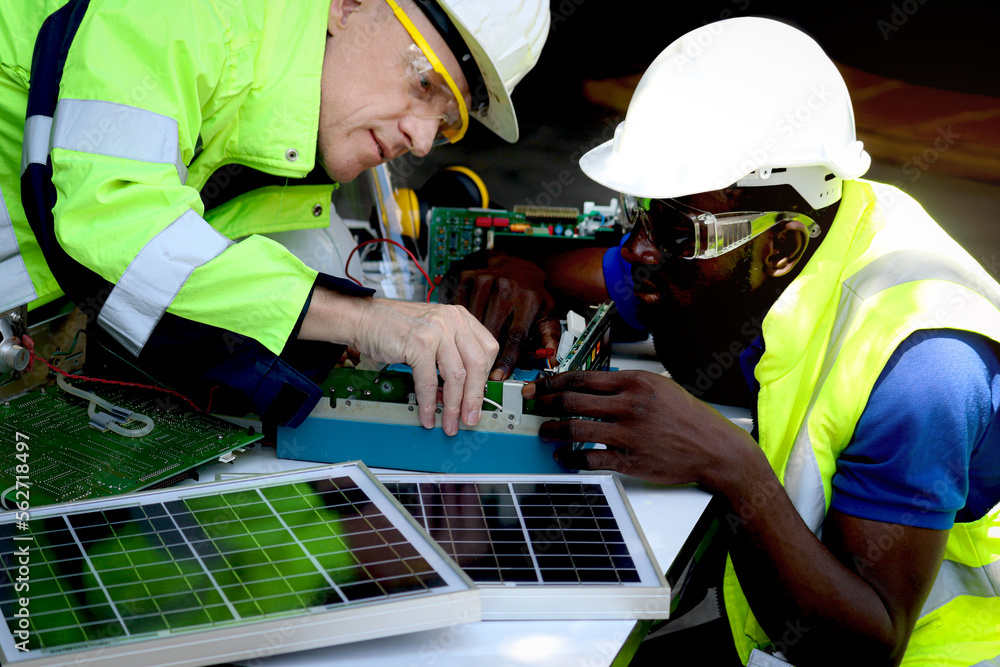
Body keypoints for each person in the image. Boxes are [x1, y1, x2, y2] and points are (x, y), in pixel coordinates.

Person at [444, 17, 1000, 667]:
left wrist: (729, 466)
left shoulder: (924, 369)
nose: (642, 248)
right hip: (776, 629)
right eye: (641, 215)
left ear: (782, 245)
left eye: (677, 231)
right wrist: (528, 279)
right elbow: (599, 275)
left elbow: (866, 643)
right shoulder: (762, 242)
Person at [0, 0, 549, 434]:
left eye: (448, 120)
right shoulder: (187, 11)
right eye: (424, 82)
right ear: (349, 5)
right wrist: (361, 317)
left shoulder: (298, 135)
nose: (424, 139)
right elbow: (113, 218)